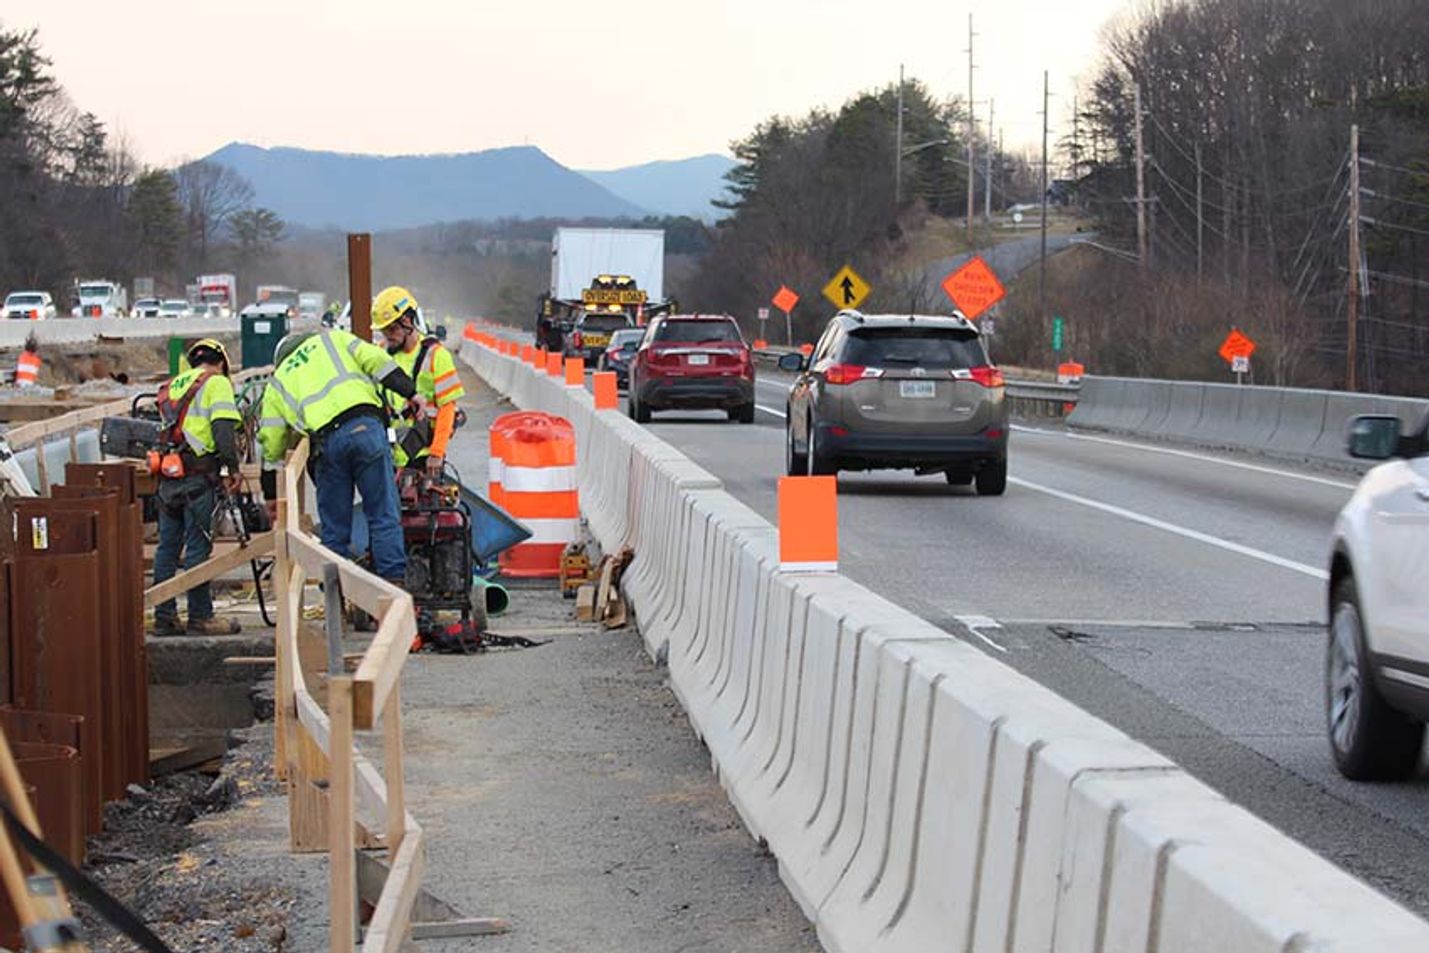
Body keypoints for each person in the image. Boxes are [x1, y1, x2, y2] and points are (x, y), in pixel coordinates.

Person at [257, 328, 425, 585]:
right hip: (366, 428)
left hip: (327, 445)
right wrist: (411, 393)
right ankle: (393, 589)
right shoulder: (334, 339)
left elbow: (271, 444)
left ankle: (335, 597)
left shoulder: (278, 381)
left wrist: (270, 494)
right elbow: (378, 361)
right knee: (383, 514)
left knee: (334, 529)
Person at [152, 339, 243, 636]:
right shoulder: (217, 383)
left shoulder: (172, 385)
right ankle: (201, 617)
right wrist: (231, 469)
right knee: (198, 546)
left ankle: (164, 616)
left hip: (169, 477)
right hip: (198, 477)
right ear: (222, 363)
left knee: (167, 548)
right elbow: (223, 431)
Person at [371, 286, 465, 474]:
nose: (388, 336)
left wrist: (437, 453)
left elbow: (447, 408)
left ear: (407, 321)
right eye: (383, 331)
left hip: (422, 454)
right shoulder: (380, 354)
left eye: (392, 329)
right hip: (389, 454)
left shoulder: (436, 356)